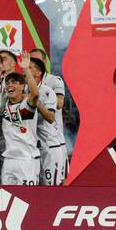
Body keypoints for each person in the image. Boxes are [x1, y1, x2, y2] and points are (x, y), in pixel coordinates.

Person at [28, 52, 67, 185]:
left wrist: (36, 100)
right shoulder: (23, 88)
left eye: (31, 65)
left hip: (51, 142)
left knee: (53, 185)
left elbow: (58, 106)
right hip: (31, 145)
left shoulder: (51, 84)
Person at [0, 71, 40, 185]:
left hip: (27, 159)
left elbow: (35, 94)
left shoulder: (27, 105)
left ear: (23, 86)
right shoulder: (4, 106)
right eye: (7, 83)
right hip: (8, 160)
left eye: (14, 82)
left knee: (28, 199)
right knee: (7, 197)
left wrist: (26, 69)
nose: (9, 85)